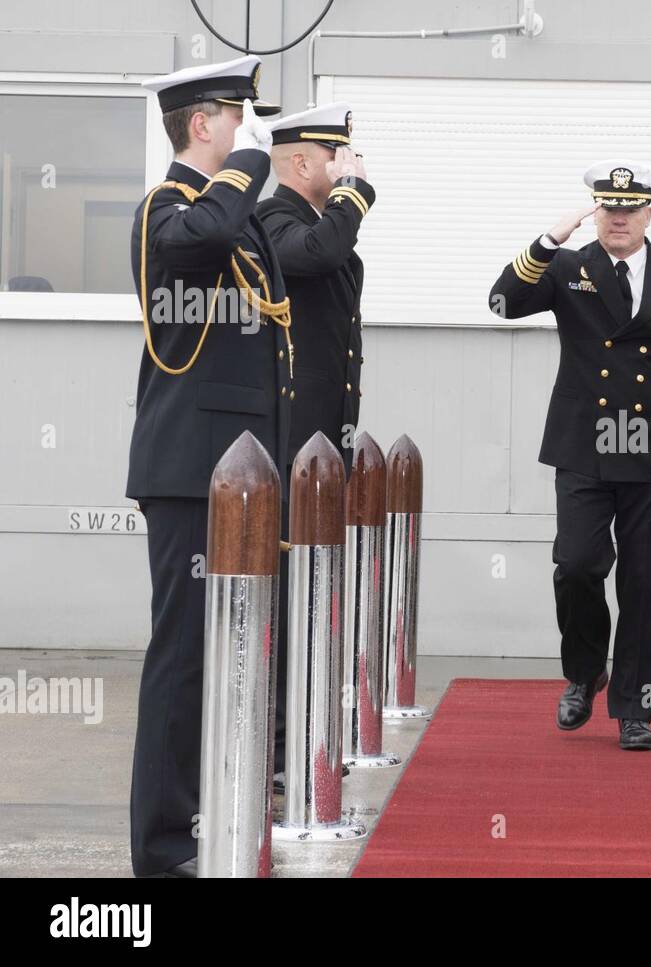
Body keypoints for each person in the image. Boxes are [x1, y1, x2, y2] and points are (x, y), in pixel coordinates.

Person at [488, 160, 651, 750]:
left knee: (647, 582)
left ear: (648, 213)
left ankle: (635, 706)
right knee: (576, 565)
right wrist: (548, 241)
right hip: (583, 444)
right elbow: (502, 302)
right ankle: (583, 672)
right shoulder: (568, 267)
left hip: (650, 445)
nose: (619, 218)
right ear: (595, 211)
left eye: (630, 209)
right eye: (608, 208)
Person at [127, 55, 289, 878]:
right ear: (203, 124)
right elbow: (211, 235)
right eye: (238, 118)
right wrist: (254, 164)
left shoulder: (231, 214)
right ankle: (160, 852)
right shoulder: (170, 209)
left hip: (238, 471)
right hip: (192, 472)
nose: (246, 132)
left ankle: (208, 819)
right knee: (184, 661)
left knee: (229, 659)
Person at [258, 102, 375, 779]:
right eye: (340, 157)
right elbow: (320, 252)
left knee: (310, 592)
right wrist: (355, 198)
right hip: (290, 444)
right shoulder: (277, 218)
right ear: (302, 162)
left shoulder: (317, 223)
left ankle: (299, 730)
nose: (352, 167)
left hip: (323, 443)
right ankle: (276, 744)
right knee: (284, 595)